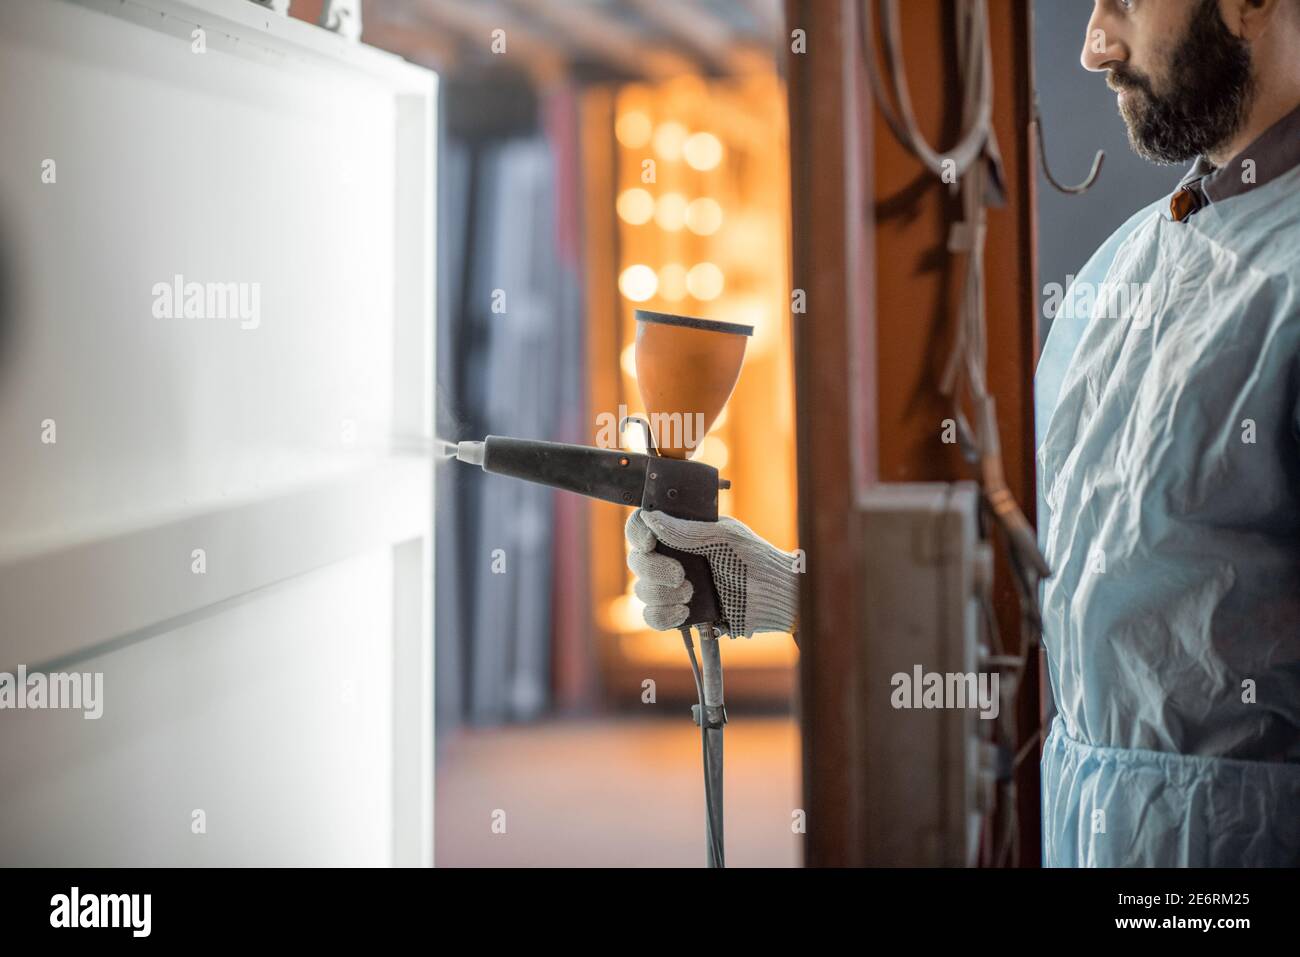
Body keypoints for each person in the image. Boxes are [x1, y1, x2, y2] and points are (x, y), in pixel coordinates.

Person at [625, 0, 1300, 867]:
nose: (1094, 46)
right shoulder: (1125, 269)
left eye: (1125, 1)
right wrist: (783, 592)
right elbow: (1073, 608)